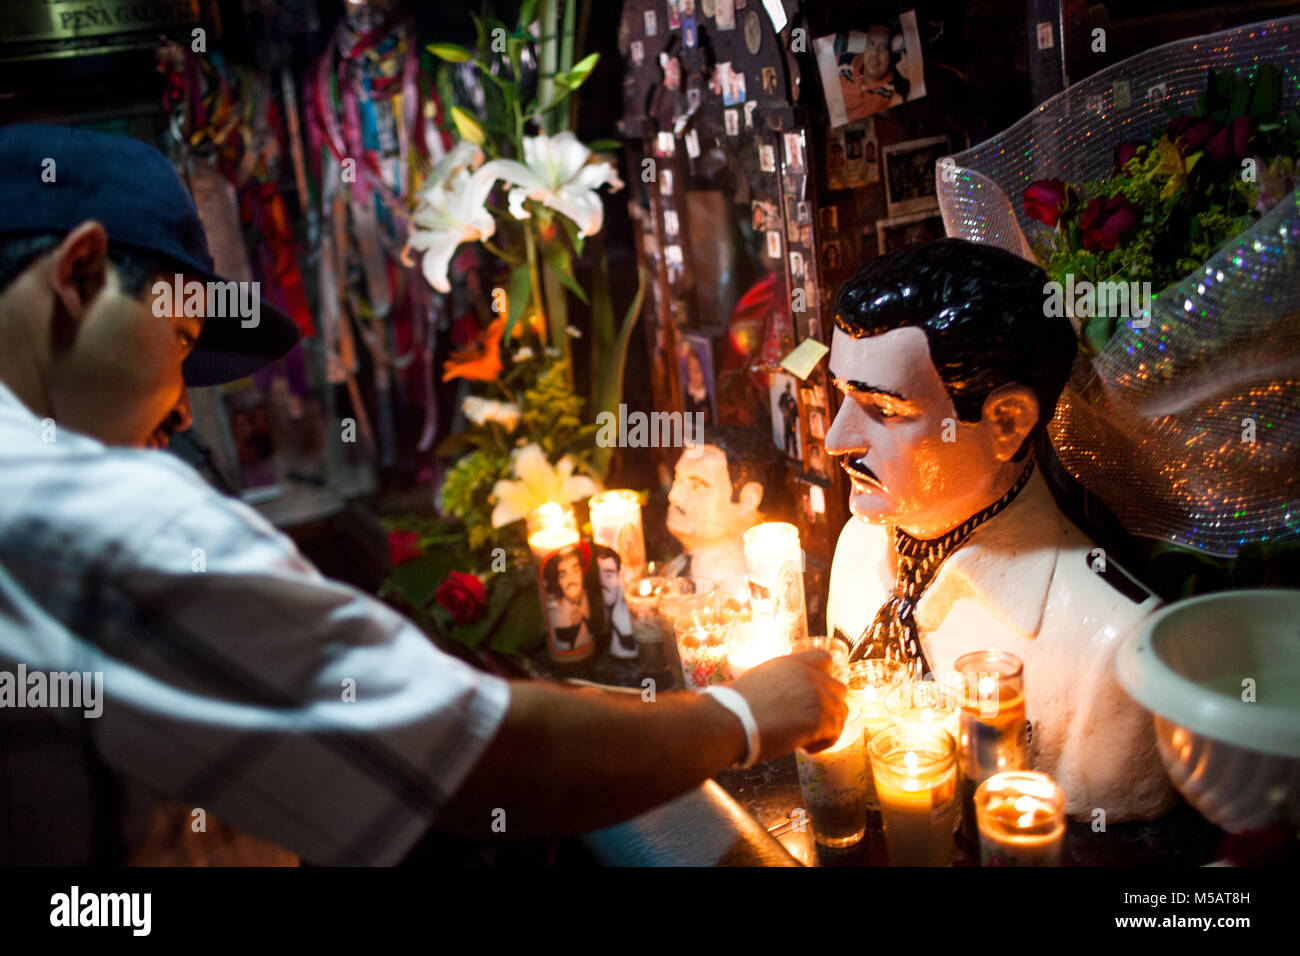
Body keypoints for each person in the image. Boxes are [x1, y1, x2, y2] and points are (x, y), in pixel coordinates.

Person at [0, 124, 847, 865]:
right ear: (79, 275)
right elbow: (476, 761)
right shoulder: (98, 513)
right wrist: (745, 715)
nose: (182, 405)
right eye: (181, 337)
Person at [822, 238, 1174, 822]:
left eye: (884, 411)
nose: (838, 441)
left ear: (1007, 423)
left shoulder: (1114, 647)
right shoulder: (858, 547)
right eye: (841, 396)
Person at [666, 425, 782, 584]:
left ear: (748, 501)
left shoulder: (745, 589)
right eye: (677, 479)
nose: (674, 495)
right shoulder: (674, 572)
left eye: (696, 485)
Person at [543, 545, 595, 653]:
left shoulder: (592, 605)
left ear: (582, 572)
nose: (571, 580)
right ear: (558, 581)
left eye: (575, 571)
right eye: (563, 575)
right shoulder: (556, 615)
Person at [594, 546, 635, 659]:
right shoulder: (599, 619)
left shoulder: (626, 617)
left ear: (620, 576)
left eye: (608, 575)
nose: (602, 582)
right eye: (599, 574)